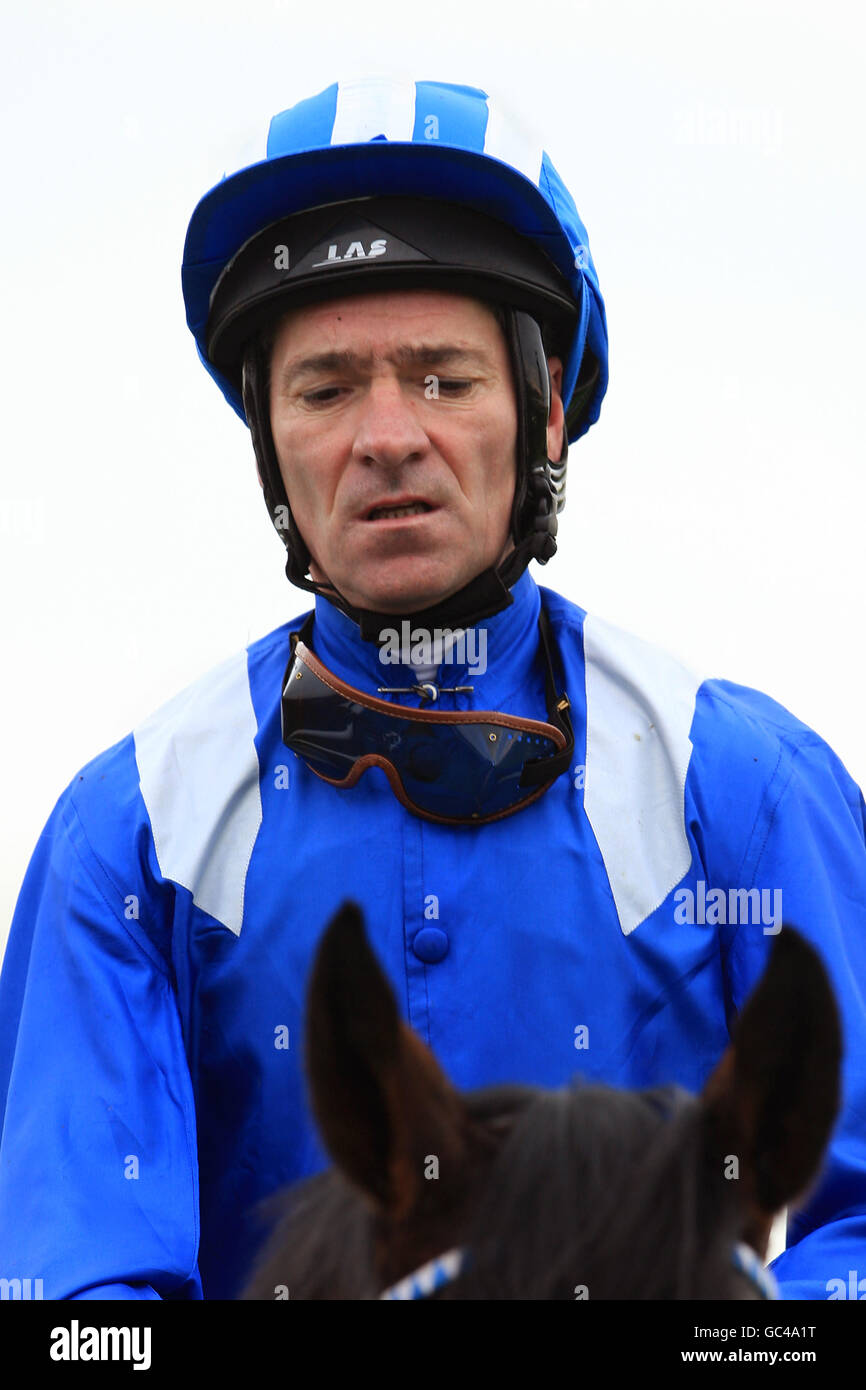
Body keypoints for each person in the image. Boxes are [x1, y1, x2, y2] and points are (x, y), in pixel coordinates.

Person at [1, 76, 864, 1302]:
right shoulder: (131, 830)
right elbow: (76, 1298)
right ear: (271, 447)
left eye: (443, 379)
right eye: (324, 388)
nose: (386, 435)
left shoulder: (746, 789)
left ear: (544, 415)